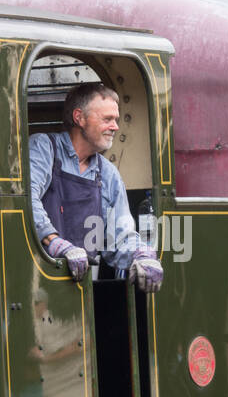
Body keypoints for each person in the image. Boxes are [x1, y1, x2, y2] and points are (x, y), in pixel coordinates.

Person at [29, 83, 163, 292]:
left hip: (80, 289)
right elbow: (26, 199)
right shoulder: (44, 148)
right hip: (37, 284)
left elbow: (119, 237)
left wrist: (142, 255)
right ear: (79, 118)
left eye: (116, 120)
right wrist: (55, 242)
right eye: (107, 119)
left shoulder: (108, 174)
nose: (115, 127)